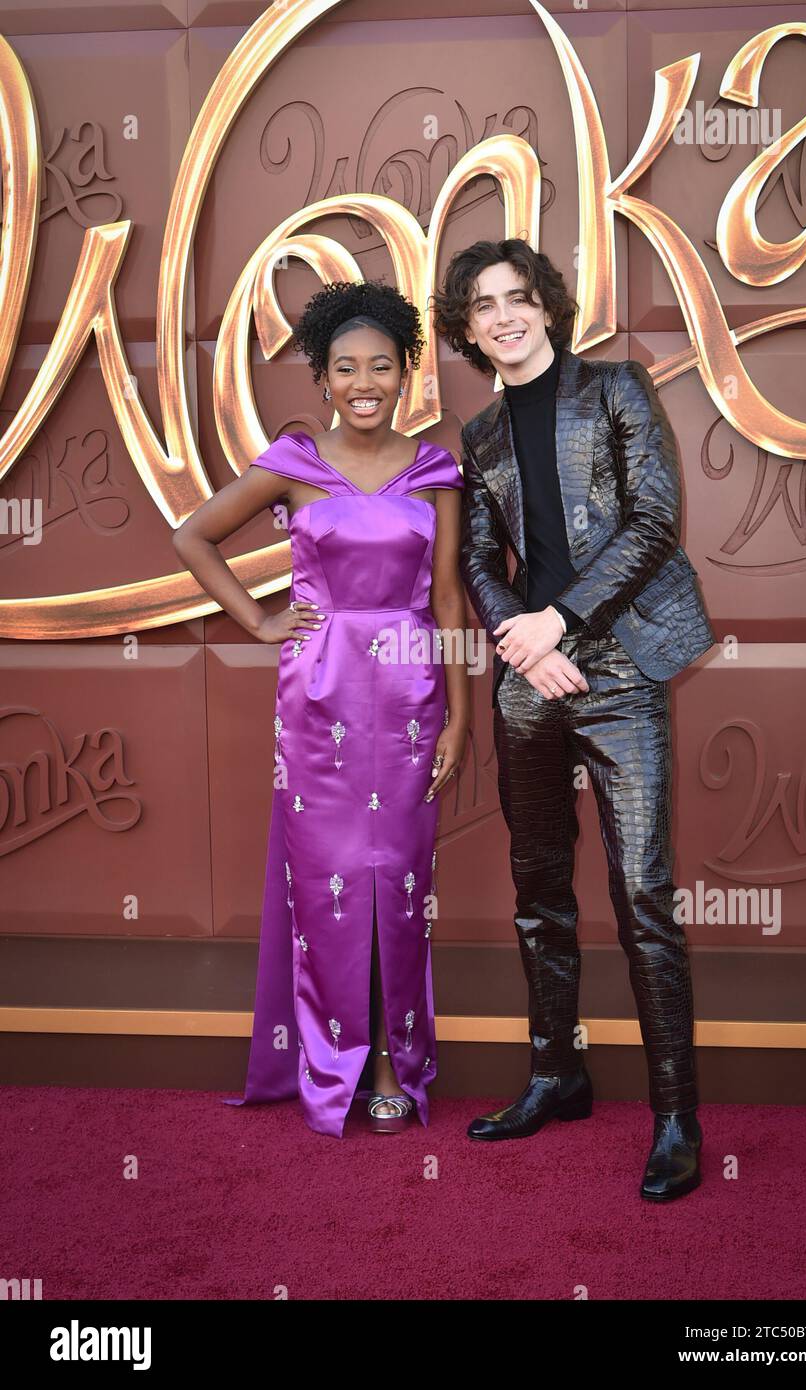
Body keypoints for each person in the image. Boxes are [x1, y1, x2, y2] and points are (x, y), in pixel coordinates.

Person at [432, 238, 716, 1200]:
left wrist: (561, 618)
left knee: (641, 893)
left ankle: (675, 1112)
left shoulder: (618, 389)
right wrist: (523, 636)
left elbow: (652, 520)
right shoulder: (479, 439)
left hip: (620, 662)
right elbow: (475, 562)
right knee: (537, 888)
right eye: (483, 306)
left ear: (545, 308)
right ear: (466, 330)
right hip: (529, 674)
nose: (503, 316)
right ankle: (557, 1073)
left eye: (517, 298)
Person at [173, 280, 467, 1137]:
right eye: (346, 367)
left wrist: (461, 717)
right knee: (331, 890)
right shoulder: (291, 465)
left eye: (382, 365)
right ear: (323, 378)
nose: (365, 380)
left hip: (413, 695)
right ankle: (334, 1062)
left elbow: (448, 600)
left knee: (399, 888)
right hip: (319, 696)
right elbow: (192, 535)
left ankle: (391, 1065)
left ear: (405, 373)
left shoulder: (435, 469)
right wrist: (259, 619)